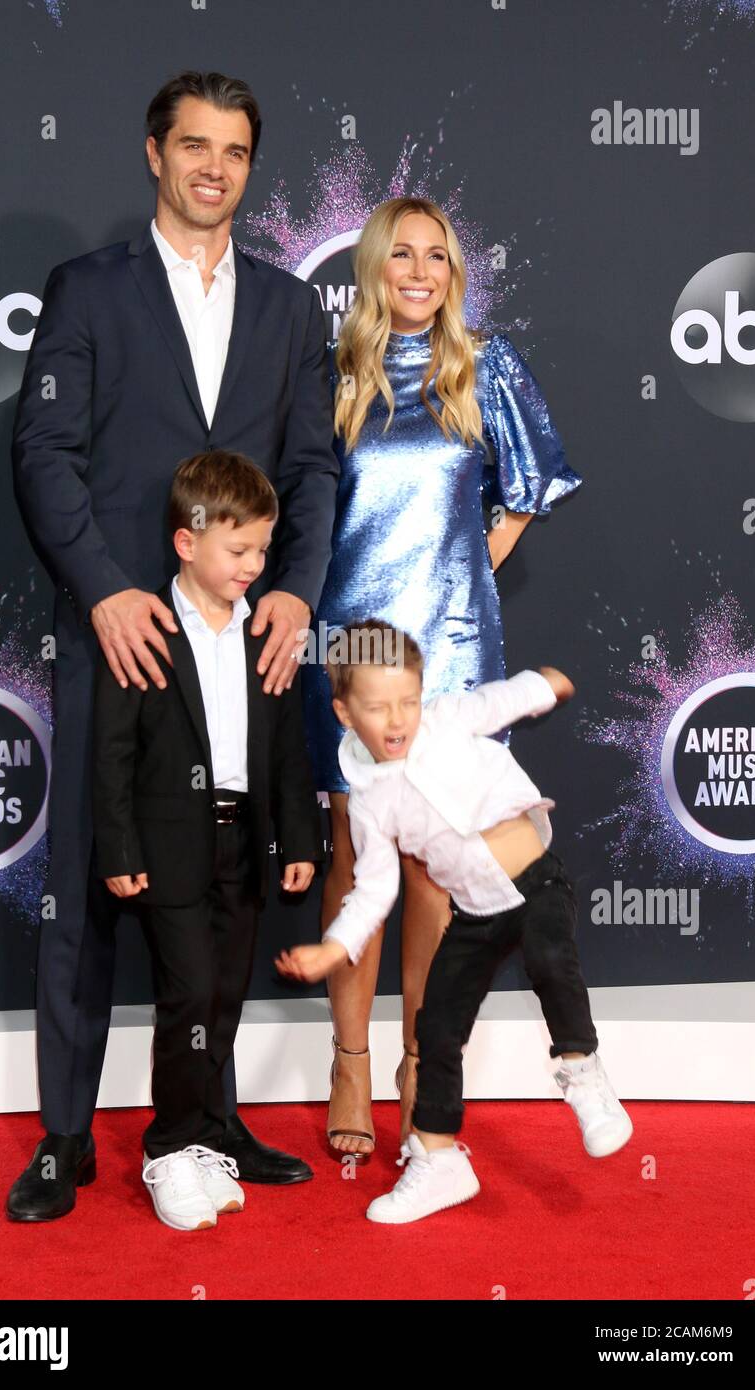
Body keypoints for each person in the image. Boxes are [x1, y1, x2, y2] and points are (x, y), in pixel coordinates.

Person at [8, 69, 338, 1221]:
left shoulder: (294, 308)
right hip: (122, 637)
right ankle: (63, 1136)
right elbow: (45, 452)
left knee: (230, 891)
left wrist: (293, 589)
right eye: (192, 145)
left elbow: (310, 468)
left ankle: (206, 1117)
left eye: (234, 151)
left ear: (251, 167)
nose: (213, 166)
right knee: (89, 887)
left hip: (240, 641)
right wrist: (101, 588)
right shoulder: (89, 291)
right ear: (154, 153)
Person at [301, 196, 582, 1159]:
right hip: (355, 651)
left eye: (438, 257)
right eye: (403, 255)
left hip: (450, 652)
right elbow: (305, 513)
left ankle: (424, 1065)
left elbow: (530, 488)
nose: (420, 272)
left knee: (436, 868)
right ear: (375, 265)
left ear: (452, 272)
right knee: (354, 861)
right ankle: (349, 1062)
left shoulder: (484, 367)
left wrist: (469, 574)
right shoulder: (332, 375)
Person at [279, 621, 632, 1225]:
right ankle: (440, 1160)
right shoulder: (367, 801)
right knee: (436, 1028)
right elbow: (374, 890)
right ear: (343, 712)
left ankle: (584, 1076)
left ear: (424, 693)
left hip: (535, 883)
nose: (398, 721)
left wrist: (545, 686)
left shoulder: (444, 718)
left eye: (408, 702)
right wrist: (334, 949)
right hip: (475, 914)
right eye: (378, 707)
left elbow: (502, 701)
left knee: (551, 958)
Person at [91, 452, 323, 1230]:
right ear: (187, 543)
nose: (253, 566)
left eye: (262, 551)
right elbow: (113, 751)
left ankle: (204, 1142)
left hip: (245, 843)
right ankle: (168, 1148)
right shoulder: (146, 628)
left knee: (224, 993)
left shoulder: (266, 632)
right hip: (169, 847)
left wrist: (298, 837)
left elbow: (288, 749)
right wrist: (119, 850)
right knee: (187, 991)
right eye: (239, 551)